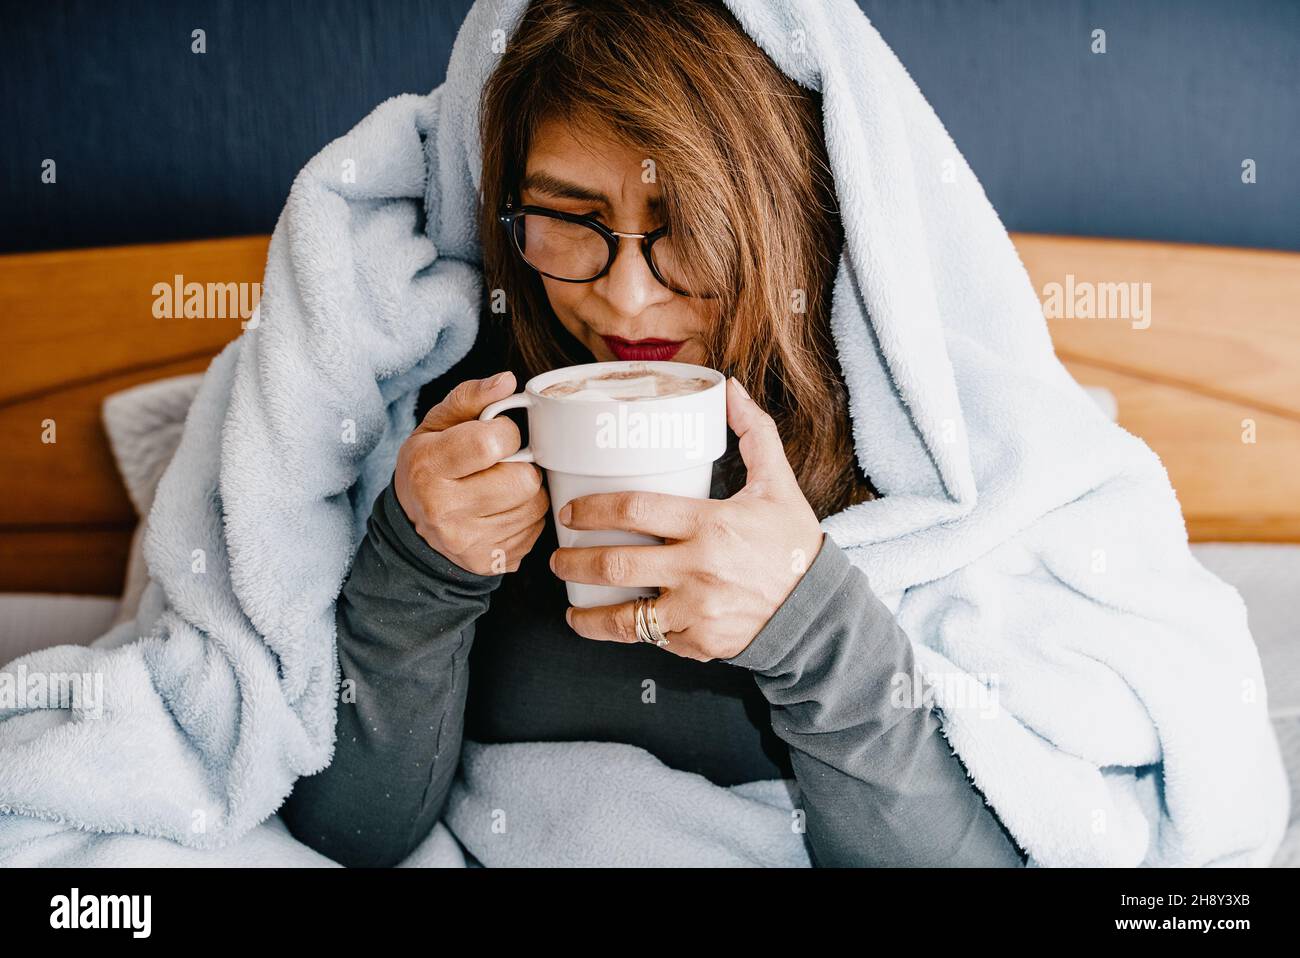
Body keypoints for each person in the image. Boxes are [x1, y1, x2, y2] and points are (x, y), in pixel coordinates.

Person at [280, 0, 1026, 868]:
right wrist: (415, 569)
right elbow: (347, 839)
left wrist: (813, 632)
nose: (627, 298)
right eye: (568, 216)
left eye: (687, 227)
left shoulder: (935, 461)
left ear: (791, 213)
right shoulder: (442, 416)